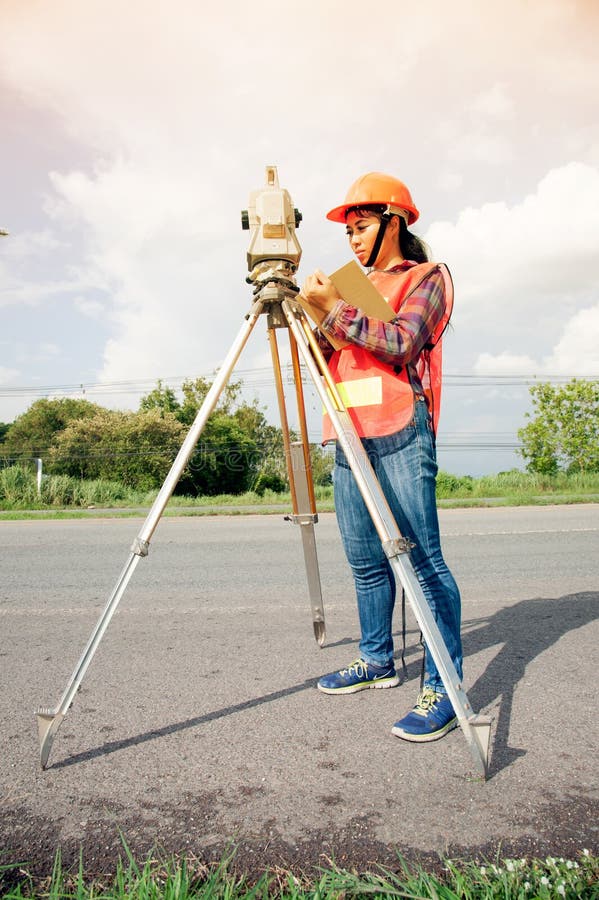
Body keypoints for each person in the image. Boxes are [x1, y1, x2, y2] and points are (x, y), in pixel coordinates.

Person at [300, 172, 462, 743]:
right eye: (348, 231)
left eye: (362, 226)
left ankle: (444, 686)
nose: (353, 240)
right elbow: (325, 358)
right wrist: (311, 316)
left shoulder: (427, 277)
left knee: (421, 562)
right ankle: (376, 660)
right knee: (365, 560)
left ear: (394, 222)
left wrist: (335, 311)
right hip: (350, 434)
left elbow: (402, 342)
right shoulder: (350, 289)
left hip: (401, 431)